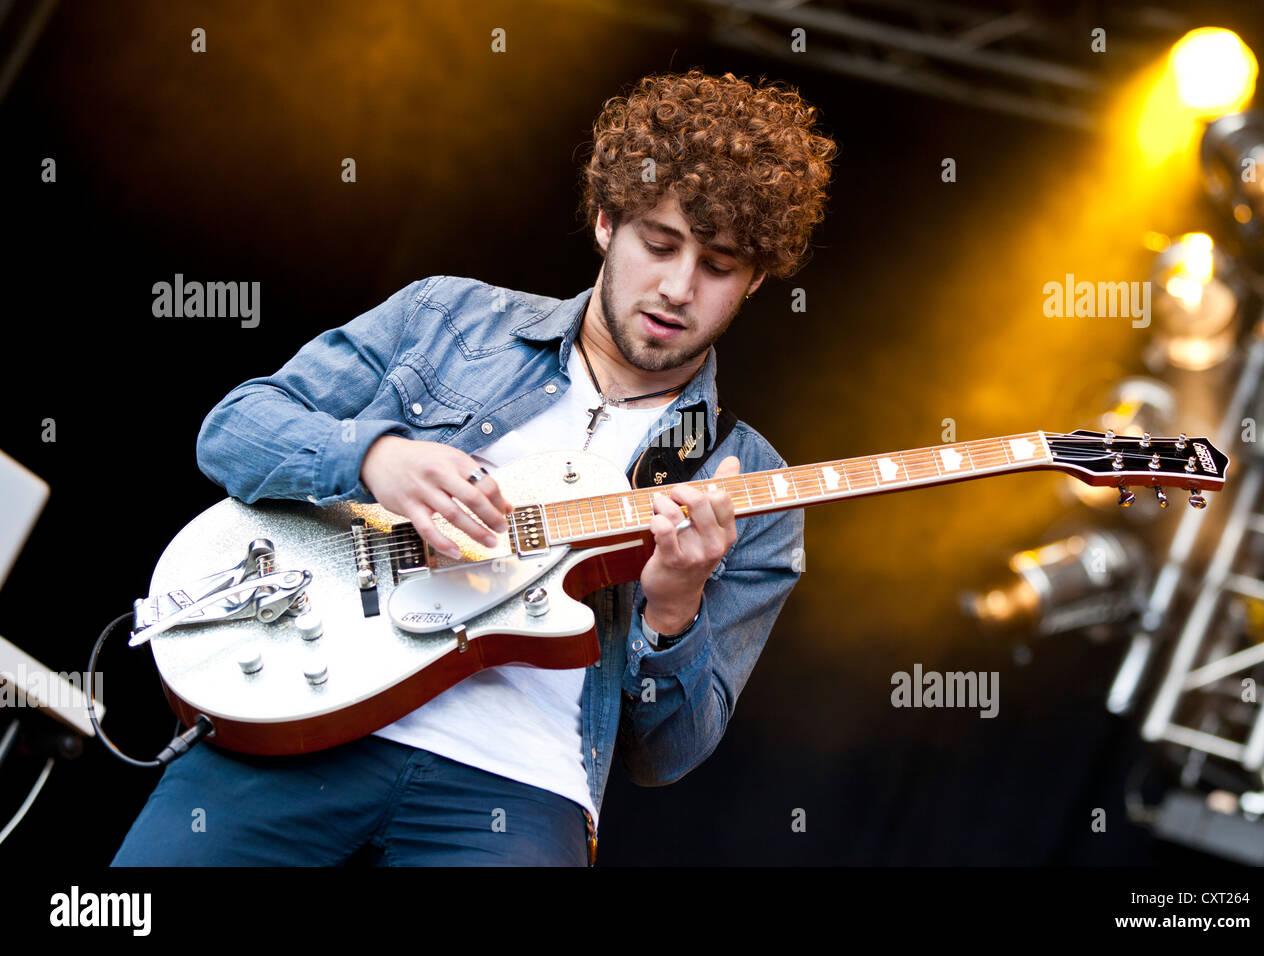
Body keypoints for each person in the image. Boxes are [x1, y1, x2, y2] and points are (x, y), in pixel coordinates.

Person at [111, 68, 836, 866]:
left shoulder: (745, 481)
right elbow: (234, 430)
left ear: (755, 281)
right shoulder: (447, 316)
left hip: (518, 787)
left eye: (719, 266)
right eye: (659, 244)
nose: (677, 287)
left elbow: (664, 755)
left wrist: (674, 608)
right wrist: (375, 457)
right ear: (605, 221)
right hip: (299, 721)